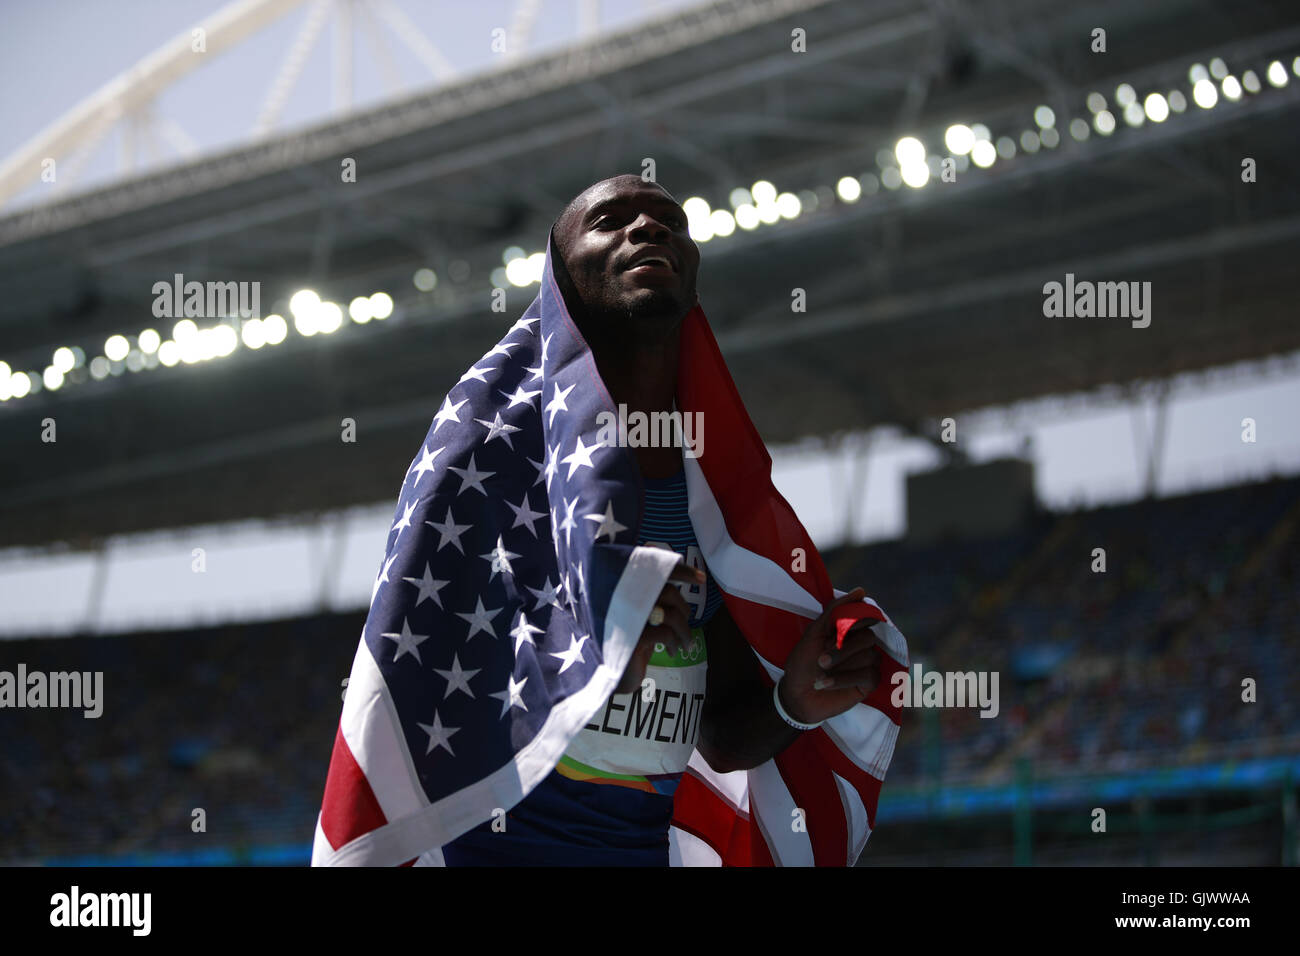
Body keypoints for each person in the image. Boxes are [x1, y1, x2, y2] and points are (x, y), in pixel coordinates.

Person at [438, 175, 884, 865]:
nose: (649, 230)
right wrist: (602, 634)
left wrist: (795, 698)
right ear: (559, 278)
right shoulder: (490, 443)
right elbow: (431, 668)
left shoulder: (703, 488)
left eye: (669, 221)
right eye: (611, 220)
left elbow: (723, 736)